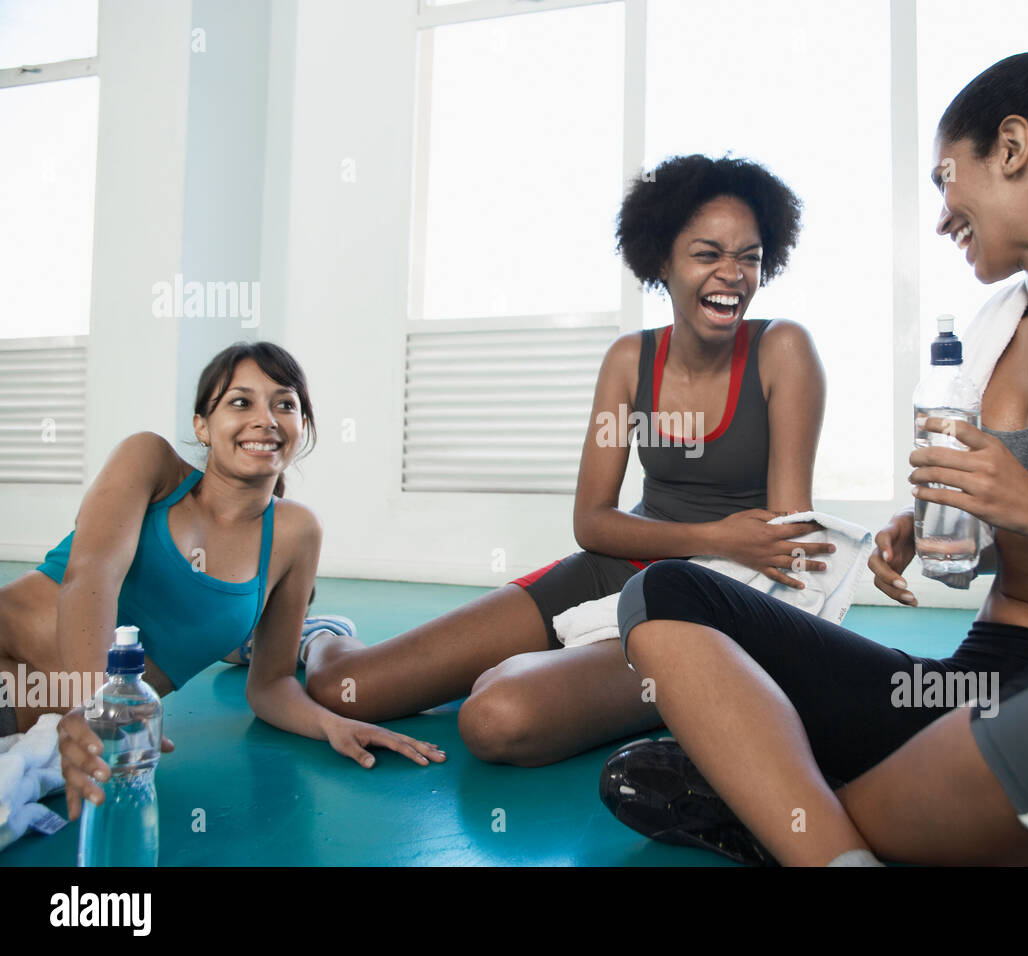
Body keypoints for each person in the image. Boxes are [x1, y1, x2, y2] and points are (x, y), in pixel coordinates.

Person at [599, 17, 1028, 866]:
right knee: (668, 593)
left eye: (946, 179)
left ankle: (779, 805)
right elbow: (1010, 529)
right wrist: (947, 525)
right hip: (967, 690)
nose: (941, 219)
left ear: (1012, 148)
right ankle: (840, 844)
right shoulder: (993, 335)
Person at [299, 154, 832, 767]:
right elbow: (593, 522)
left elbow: (784, 544)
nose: (732, 275)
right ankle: (320, 633)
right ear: (662, 261)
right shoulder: (629, 361)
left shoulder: (783, 349)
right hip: (618, 569)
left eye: (749, 257)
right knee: (347, 688)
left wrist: (726, 553)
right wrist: (715, 535)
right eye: (707, 254)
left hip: (719, 599)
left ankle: (643, 674)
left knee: (496, 718)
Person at [1, 342, 445, 822]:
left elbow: (270, 685)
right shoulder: (150, 462)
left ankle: (305, 634)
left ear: (302, 427)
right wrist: (98, 704)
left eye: (284, 404)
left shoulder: (296, 534)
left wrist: (331, 724)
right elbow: (92, 573)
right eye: (240, 402)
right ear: (202, 426)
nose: (265, 419)